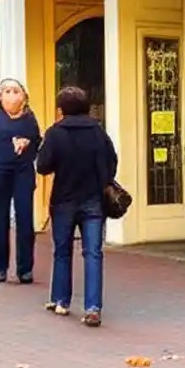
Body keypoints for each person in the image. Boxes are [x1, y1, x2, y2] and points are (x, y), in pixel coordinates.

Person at [36, 86, 117, 327]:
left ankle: (61, 300)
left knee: (62, 250)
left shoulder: (55, 133)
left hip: (63, 199)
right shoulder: (98, 132)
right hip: (93, 200)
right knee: (93, 253)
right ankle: (93, 308)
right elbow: (111, 162)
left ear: (61, 109)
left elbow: (43, 166)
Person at [0, 78, 42, 283]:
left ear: (24, 97)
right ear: (0, 96)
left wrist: (26, 144)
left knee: (25, 219)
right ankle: (0, 266)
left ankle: (25, 268)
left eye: (16, 91)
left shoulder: (29, 119)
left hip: (23, 172)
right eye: (7, 91)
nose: (12, 95)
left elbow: (37, 143)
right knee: (0, 220)